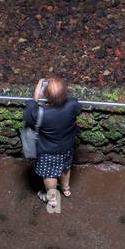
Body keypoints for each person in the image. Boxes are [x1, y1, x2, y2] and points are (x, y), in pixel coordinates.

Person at [25, 77, 81, 211]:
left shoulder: (40, 114)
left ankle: (52, 199)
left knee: (50, 175)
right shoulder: (73, 105)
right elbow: (76, 107)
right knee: (65, 168)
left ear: (46, 95)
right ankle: (66, 189)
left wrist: (37, 91)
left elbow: (30, 111)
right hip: (67, 147)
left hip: (48, 151)